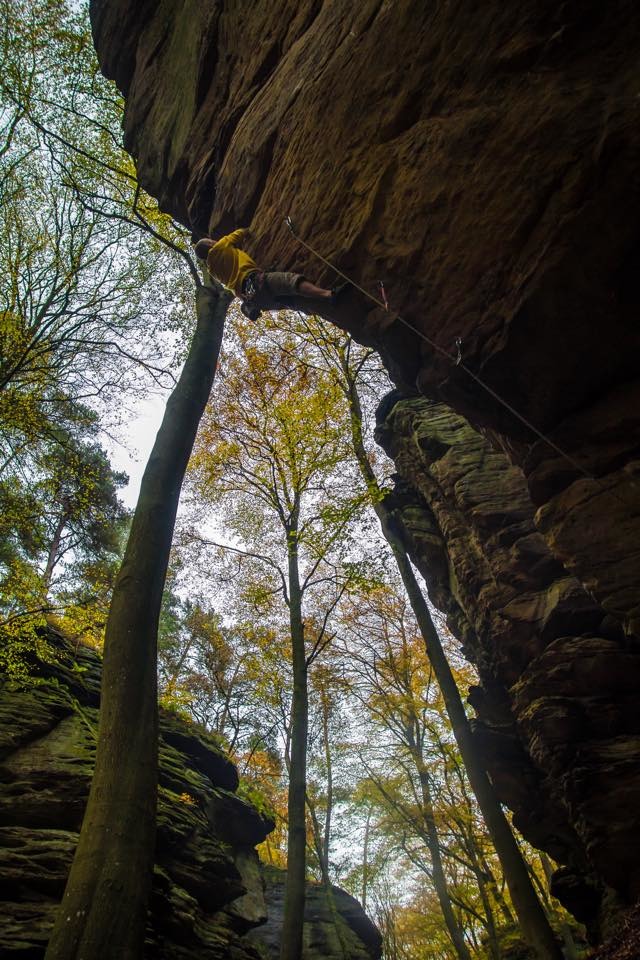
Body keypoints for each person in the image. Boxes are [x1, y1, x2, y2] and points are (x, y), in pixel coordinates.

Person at [194, 228, 344, 320]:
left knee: (292, 301)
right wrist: (248, 231)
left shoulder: (212, 271)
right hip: (256, 281)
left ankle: (317, 305)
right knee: (291, 282)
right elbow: (239, 233)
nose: (213, 240)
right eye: (210, 240)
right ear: (209, 244)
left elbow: (231, 288)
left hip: (256, 300)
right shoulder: (220, 245)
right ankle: (329, 295)